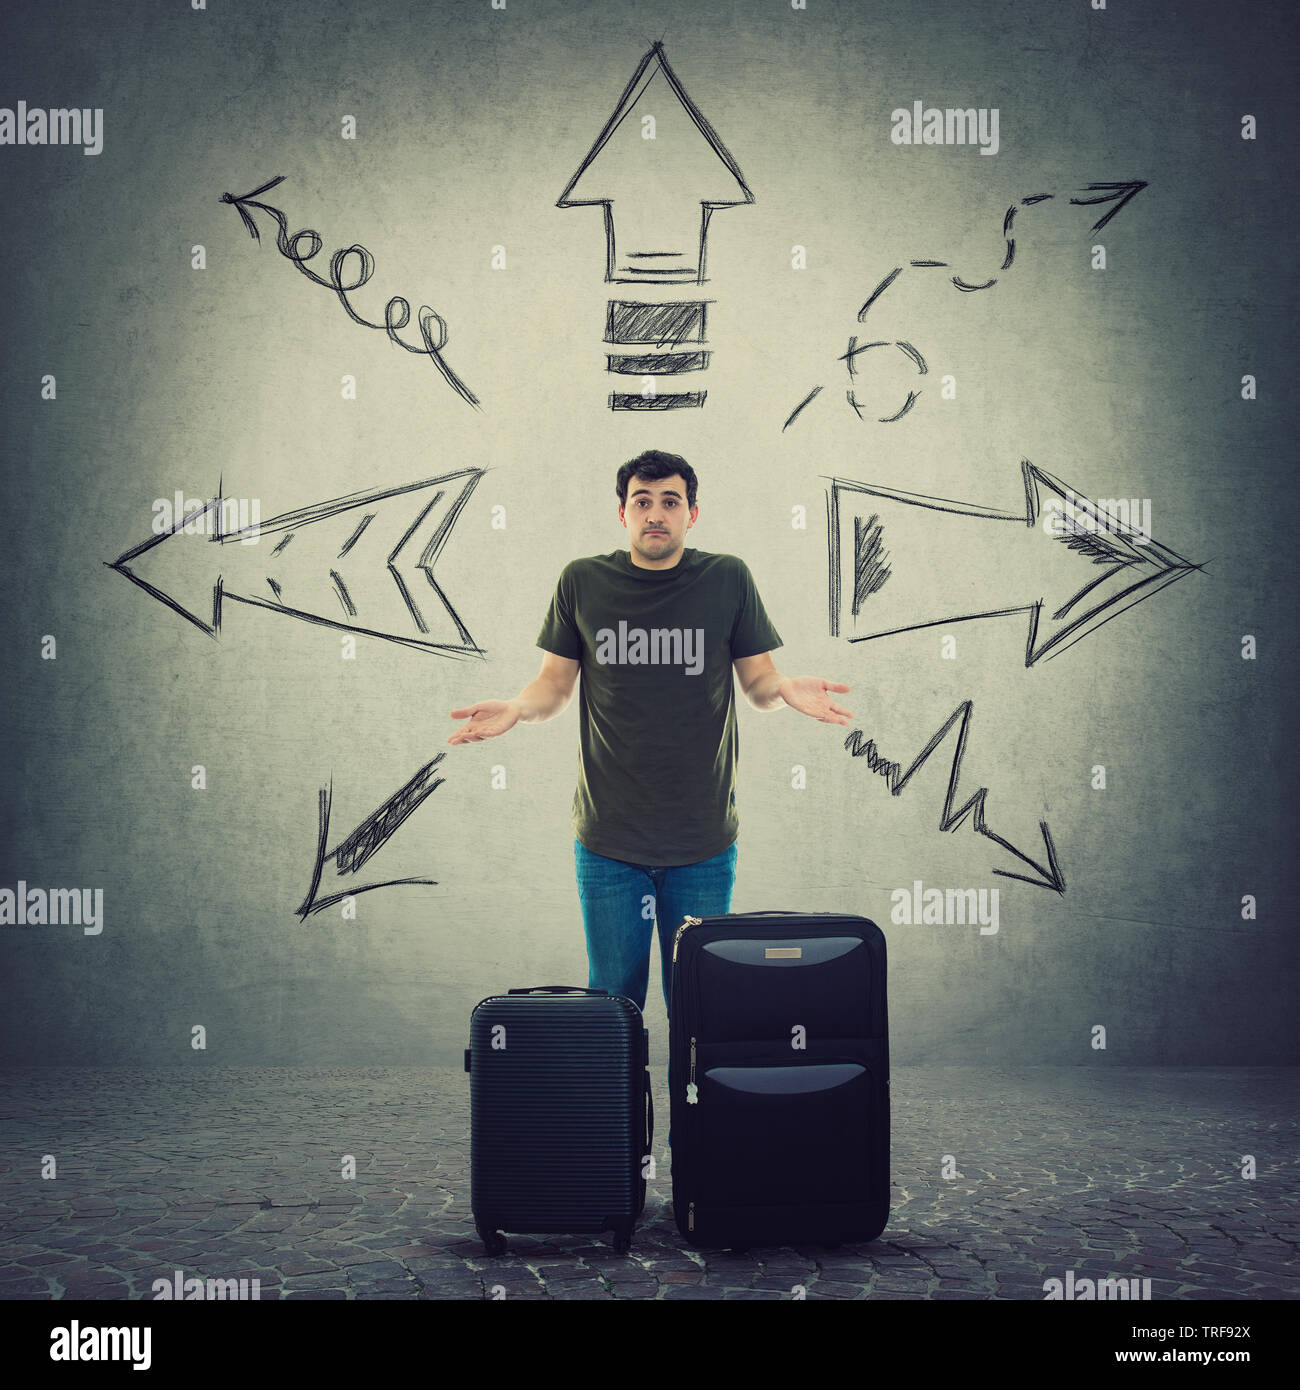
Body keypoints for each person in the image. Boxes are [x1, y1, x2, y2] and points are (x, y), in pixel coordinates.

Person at [447, 449, 852, 1016]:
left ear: (692, 514)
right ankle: (619, 1109)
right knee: (614, 1002)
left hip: (703, 840)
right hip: (609, 841)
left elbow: (757, 682)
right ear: (622, 513)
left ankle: (693, 1109)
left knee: (699, 1005)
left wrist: (782, 688)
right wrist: (517, 707)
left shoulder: (727, 577)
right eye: (642, 501)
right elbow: (554, 687)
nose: (655, 513)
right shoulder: (583, 581)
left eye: (670, 502)